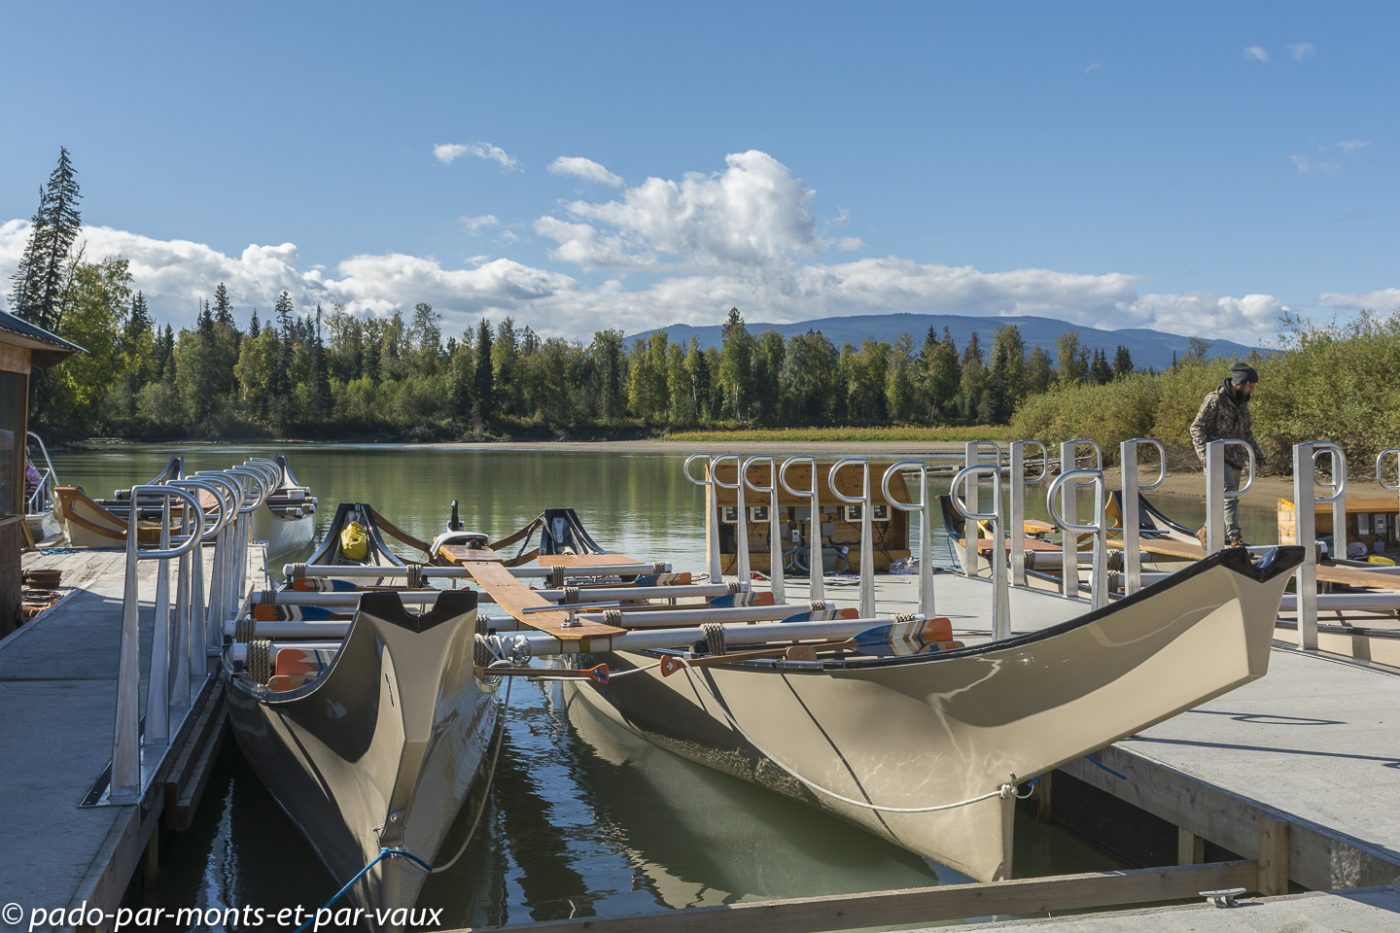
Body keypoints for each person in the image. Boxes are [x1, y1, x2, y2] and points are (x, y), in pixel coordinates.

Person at [1189, 362, 1265, 548]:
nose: (1252, 389)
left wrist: (1257, 455)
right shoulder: (1215, 400)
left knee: (1222, 499)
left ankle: (1205, 530)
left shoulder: (1243, 405)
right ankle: (1235, 538)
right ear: (1240, 383)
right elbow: (1196, 428)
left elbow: (1247, 434)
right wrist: (1203, 454)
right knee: (1229, 497)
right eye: (1250, 385)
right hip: (1216, 458)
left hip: (1236, 458)